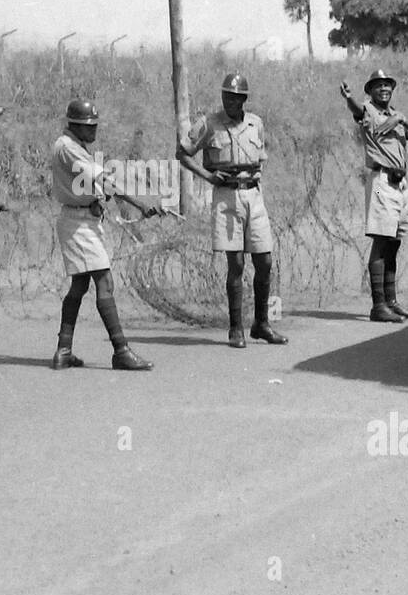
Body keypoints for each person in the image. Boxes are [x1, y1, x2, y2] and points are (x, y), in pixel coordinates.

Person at [175, 73, 288, 348]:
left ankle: (261, 324)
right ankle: (235, 328)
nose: (231, 101)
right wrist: (208, 176)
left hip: (254, 195)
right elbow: (183, 153)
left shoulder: (255, 123)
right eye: (227, 96)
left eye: (236, 97)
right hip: (226, 196)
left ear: (244, 99)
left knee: (265, 261)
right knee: (235, 264)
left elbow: (261, 157)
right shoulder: (209, 124)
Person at [49, 99, 155, 371]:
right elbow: (104, 180)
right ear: (74, 125)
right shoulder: (69, 148)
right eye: (88, 126)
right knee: (104, 282)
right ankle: (121, 350)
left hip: (83, 219)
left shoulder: (74, 146)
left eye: (94, 124)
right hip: (79, 223)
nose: (93, 130)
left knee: (79, 285)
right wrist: (140, 203)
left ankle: (63, 350)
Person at [340, 70, 408, 322]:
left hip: (400, 184)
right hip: (380, 181)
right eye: (378, 86)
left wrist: (401, 118)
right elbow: (357, 110)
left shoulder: (394, 116)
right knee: (381, 239)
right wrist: (349, 98)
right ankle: (378, 306)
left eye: (387, 85)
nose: (384, 89)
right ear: (370, 91)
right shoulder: (369, 111)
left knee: (394, 242)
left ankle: (391, 301)